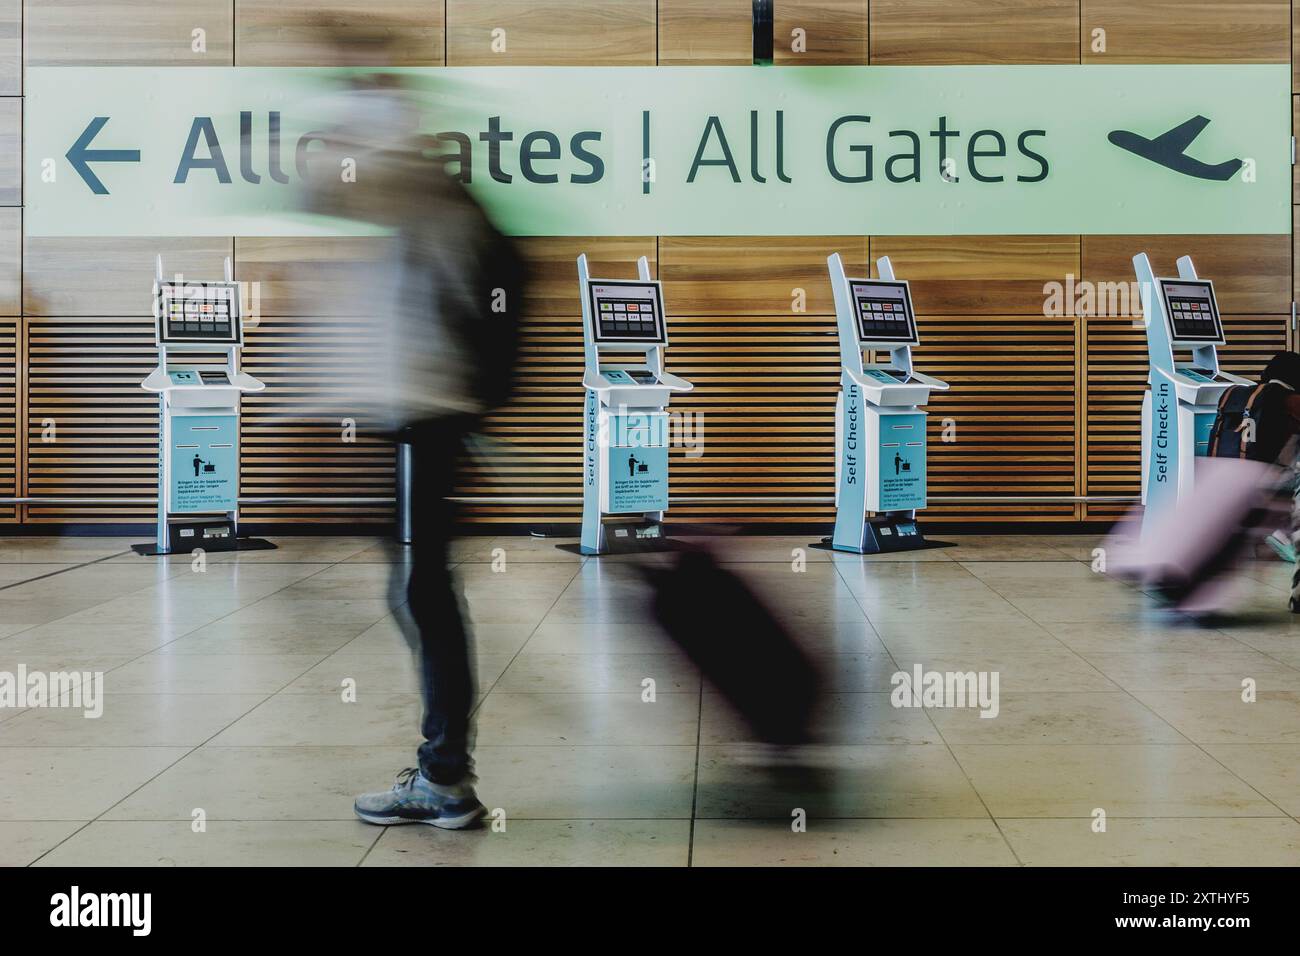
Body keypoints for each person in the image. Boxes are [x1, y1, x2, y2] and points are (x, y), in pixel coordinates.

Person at [301, 59, 525, 828]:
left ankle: (445, 776)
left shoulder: (423, 192)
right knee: (419, 586)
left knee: (422, 590)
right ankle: (444, 767)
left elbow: (320, 186)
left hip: (425, 422)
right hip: (427, 420)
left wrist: (346, 110)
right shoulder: (435, 198)